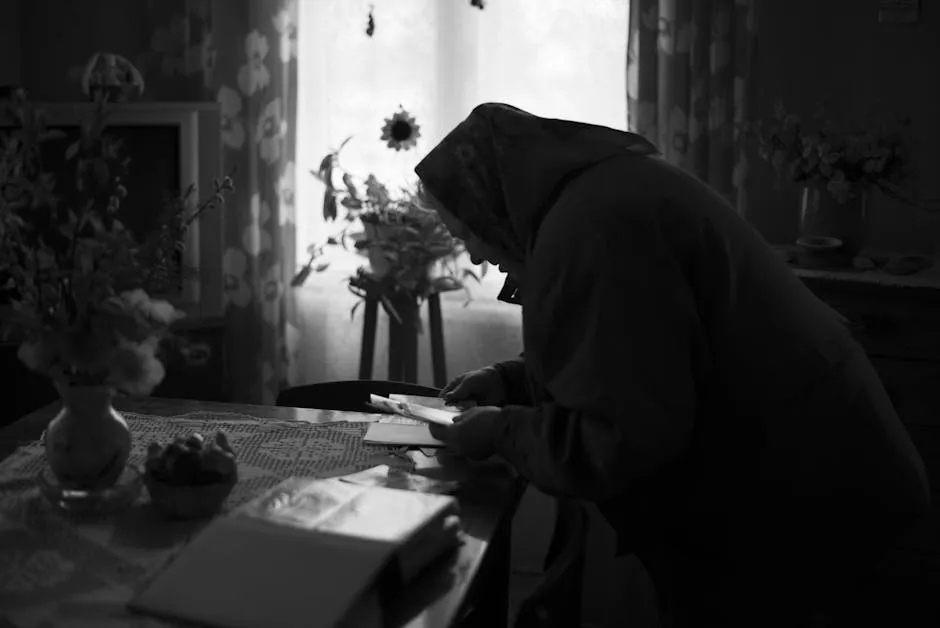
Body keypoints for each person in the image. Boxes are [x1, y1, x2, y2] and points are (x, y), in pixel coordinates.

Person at [414, 103, 931, 627]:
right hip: (809, 479)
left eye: (468, 233)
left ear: (492, 197)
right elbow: (630, 353)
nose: (476, 255)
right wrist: (512, 381)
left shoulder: (591, 230)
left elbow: (617, 439)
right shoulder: (598, 198)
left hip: (806, 504)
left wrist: (501, 432)